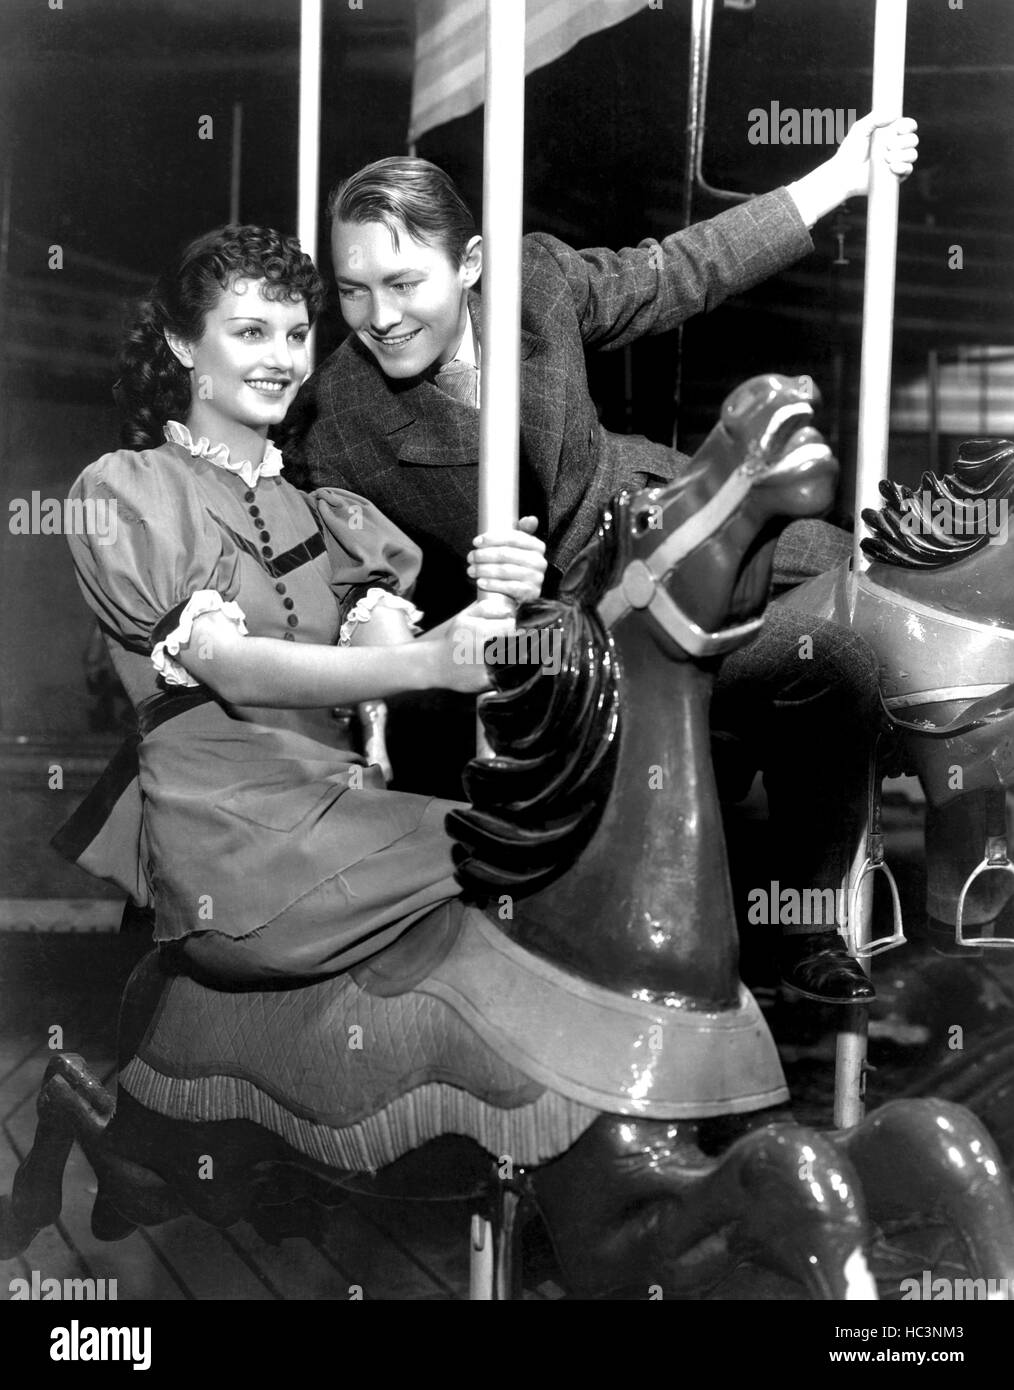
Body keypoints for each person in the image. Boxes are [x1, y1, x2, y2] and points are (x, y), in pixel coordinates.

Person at [281, 113, 919, 1004]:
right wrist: (476, 594)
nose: (380, 318)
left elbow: (680, 271)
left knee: (879, 587)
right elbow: (358, 589)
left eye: (403, 282)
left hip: (650, 526)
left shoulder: (535, 281)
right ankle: (770, 901)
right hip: (563, 650)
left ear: (469, 266)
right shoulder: (334, 423)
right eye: (352, 292)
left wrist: (837, 179)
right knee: (834, 668)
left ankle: (826, 867)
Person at [59, 225, 548, 985]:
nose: (282, 359)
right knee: (519, 849)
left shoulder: (332, 518)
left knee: (535, 844)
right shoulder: (129, 489)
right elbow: (232, 668)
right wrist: (433, 659)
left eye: (296, 334)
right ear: (185, 346)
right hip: (229, 836)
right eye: (250, 332)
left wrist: (506, 606)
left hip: (339, 808)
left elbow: (399, 667)